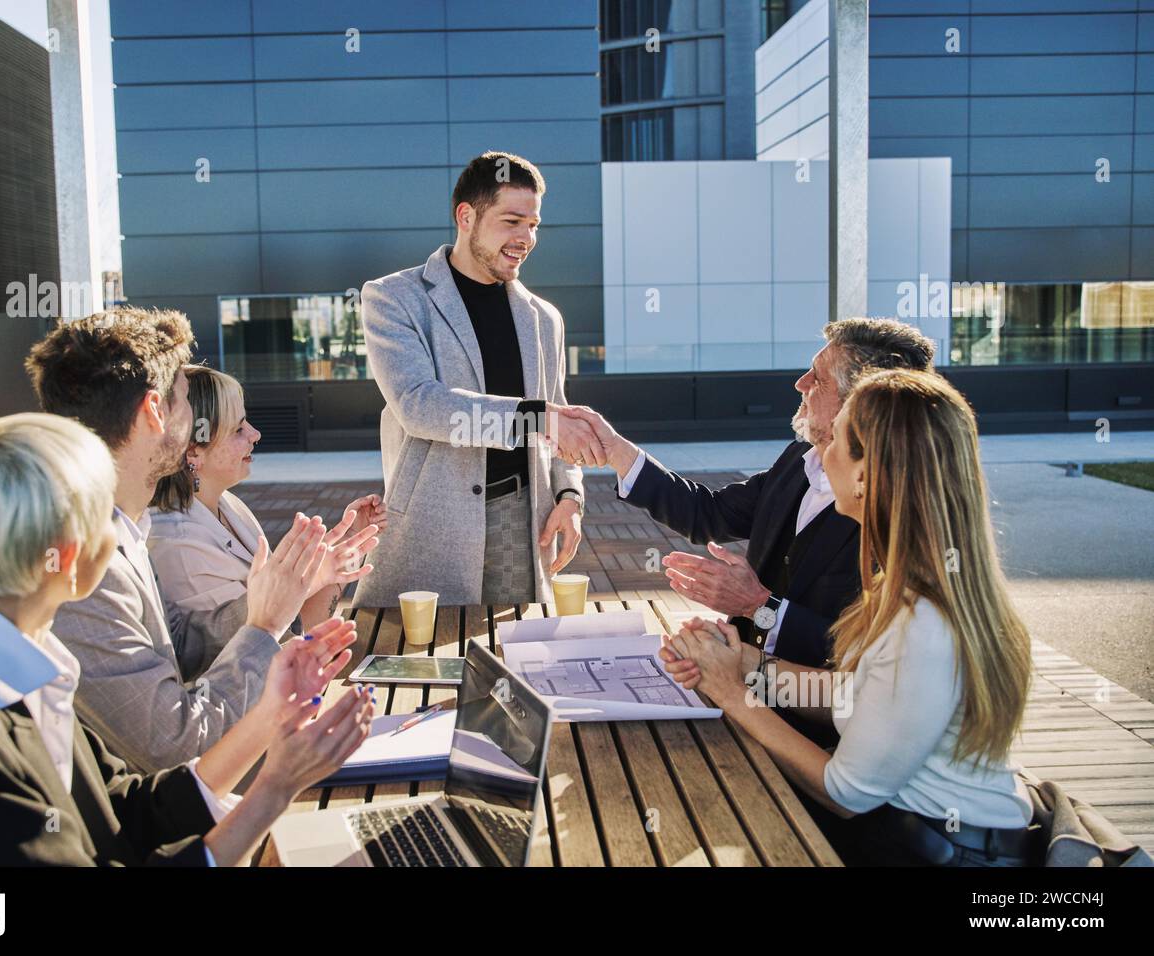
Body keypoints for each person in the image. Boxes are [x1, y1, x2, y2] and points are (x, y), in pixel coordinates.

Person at [0, 413, 374, 865]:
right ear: (67, 551)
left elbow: (126, 808)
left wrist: (269, 718)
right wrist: (274, 790)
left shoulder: (13, 662)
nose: (123, 536)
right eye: (106, 517)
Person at [661, 370, 1036, 866]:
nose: (819, 452)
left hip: (951, 853)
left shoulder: (921, 622)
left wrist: (732, 693)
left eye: (836, 436)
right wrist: (746, 664)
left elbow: (845, 792)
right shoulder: (917, 588)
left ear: (865, 475)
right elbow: (854, 696)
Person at [25, 308, 349, 773]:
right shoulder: (81, 572)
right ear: (156, 412)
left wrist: (274, 603)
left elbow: (182, 645)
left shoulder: (126, 528)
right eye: (184, 401)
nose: (196, 419)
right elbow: (171, 746)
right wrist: (262, 629)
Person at [558, 317, 934, 669]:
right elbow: (711, 515)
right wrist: (617, 452)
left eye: (817, 379)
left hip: (810, 720)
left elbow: (862, 660)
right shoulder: (800, 458)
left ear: (862, 403)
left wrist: (758, 606)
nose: (799, 384)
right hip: (737, 684)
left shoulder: (903, 518)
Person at [353, 151, 607, 609]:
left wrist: (570, 496)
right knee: (418, 660)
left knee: (506, 658)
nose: (526, 238)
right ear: (466, 216)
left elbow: (558, 413)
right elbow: (420, 406)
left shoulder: (544, 318)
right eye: (512, 221)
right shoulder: (393, 298)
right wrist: (539, 419)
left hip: (522, 518)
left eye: (533, 225)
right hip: (433, 522)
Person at [148, 365, 385, 627]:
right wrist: (314, 576)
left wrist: (348, 546)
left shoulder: (227, 507)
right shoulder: (181, 548)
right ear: (193, 452)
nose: (255, 434)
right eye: (237, 430)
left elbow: (297, 626)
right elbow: (253, 649)